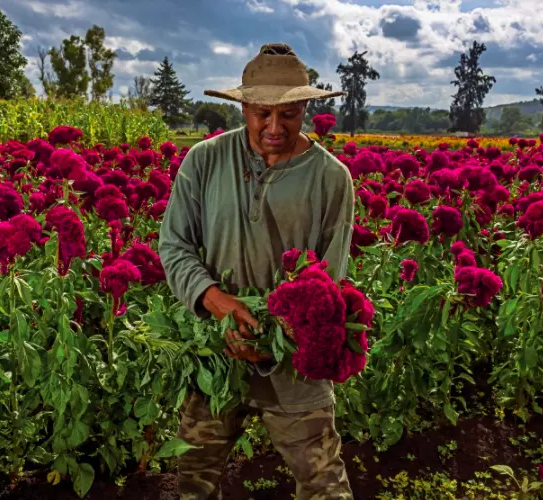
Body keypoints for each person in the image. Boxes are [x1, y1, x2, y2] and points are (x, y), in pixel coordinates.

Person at [158, 43, 354, 500]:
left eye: (288, 114)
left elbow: (331, 280)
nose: (273, 127)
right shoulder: (204, 161)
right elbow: (175, 245)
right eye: (261, 113)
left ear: (305, 108)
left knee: (324, 483)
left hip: (293, 359)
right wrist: (216, 302)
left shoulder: (331, 178)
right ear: (242, 106)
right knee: (195, 478)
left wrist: (272, 337)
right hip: (214, 348)